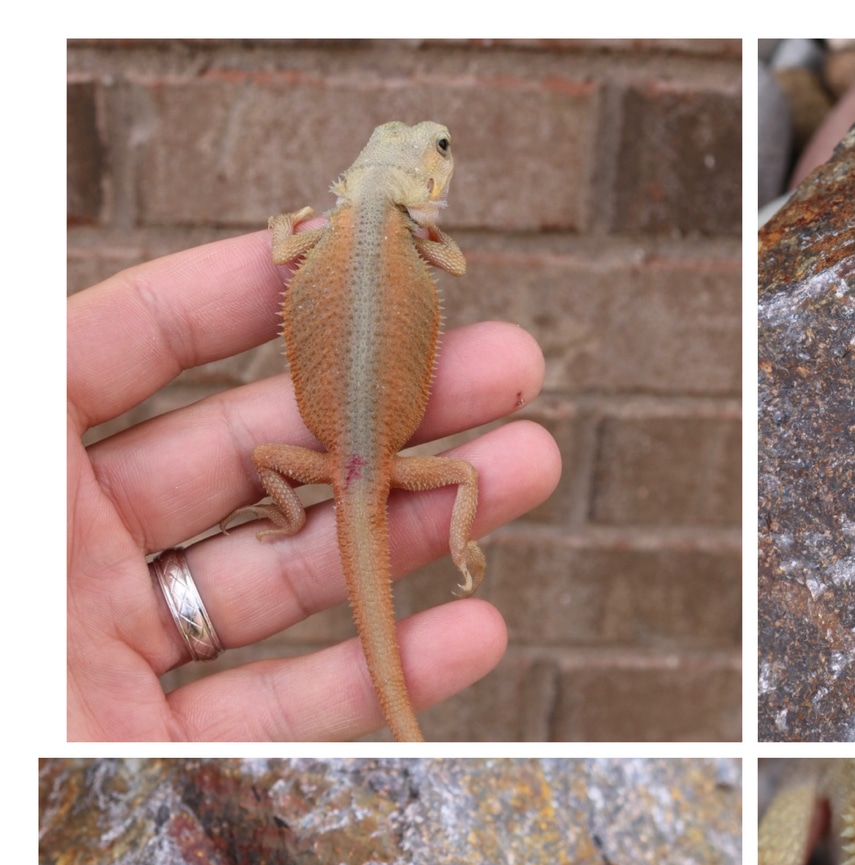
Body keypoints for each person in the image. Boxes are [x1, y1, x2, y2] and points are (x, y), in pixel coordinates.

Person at [68, 223, 559, 740]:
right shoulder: (403, 234)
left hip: (342, 466)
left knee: (266, 456)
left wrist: (283, 225)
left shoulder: (337, 230)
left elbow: (282, 248)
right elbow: (453, 261)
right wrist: (461, 540)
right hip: (370, 463)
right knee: (461, 474)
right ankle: (451, 543)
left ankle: (293, 514)